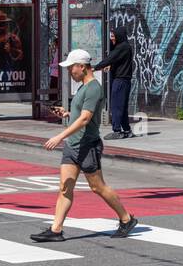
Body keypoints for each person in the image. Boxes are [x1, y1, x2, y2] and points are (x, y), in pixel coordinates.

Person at [31, 49, 138, 242]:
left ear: (82, 66)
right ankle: (56, 230)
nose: (70, 72)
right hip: (73, 145)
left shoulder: (94, 88)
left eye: (72, 68)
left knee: (98, 187)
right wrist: (66, 114)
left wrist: (59, 136)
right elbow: (79, 114)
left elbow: (85, 119)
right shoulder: (82, 87)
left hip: (88, 146)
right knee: (65, 186)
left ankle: (126, 218)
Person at [93, 28, 134, 139]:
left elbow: (110, 58)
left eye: (113, 36)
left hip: (120, 80)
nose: (111, 38)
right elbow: (119, 62)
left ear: (119, 36)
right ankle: (127, 130)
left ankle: (117, 131)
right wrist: (111, 67)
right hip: (124, 80)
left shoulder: (122, 47)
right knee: (122, 106)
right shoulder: (125, 47)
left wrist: (95, 68)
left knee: (116, 106)